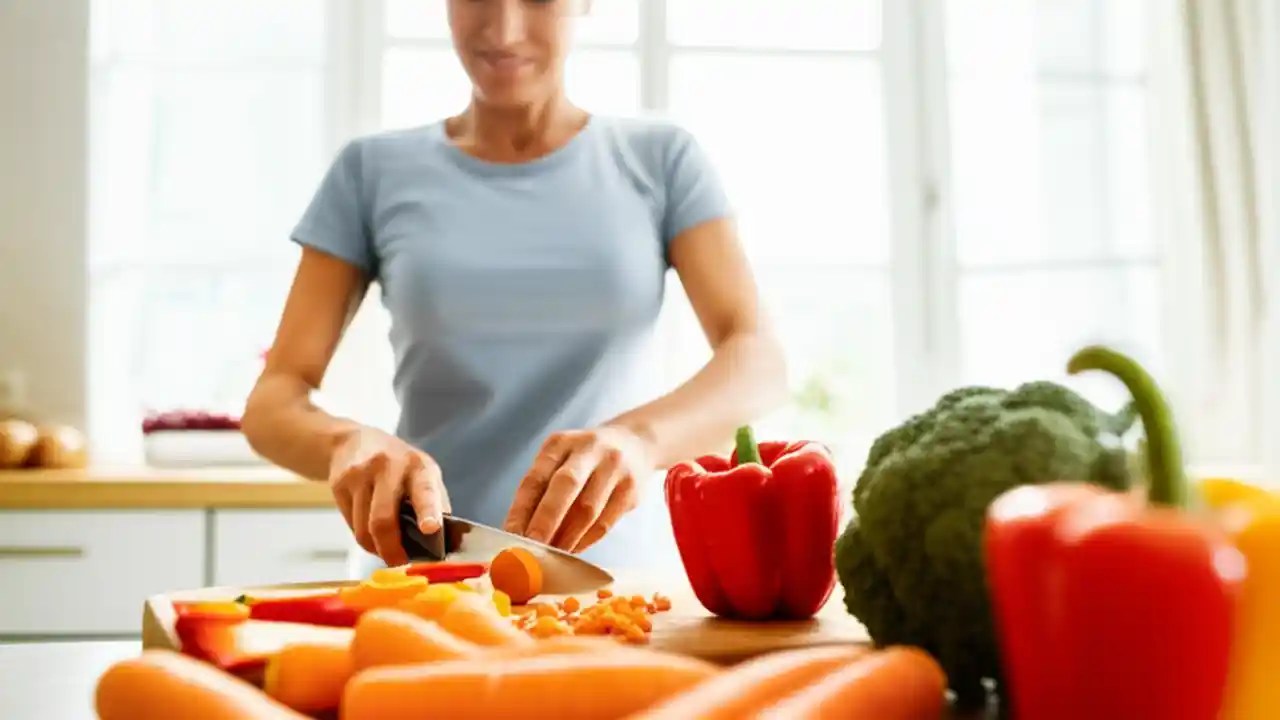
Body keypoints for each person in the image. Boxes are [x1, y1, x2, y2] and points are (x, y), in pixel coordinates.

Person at [241, 0, 787, 578]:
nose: (503, 29)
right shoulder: (369, 172)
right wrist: (345, 444)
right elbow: (274, 399)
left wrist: (640, 440)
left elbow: (756, 358)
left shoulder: (662, 160)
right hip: (425, 582)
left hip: (618, 588)